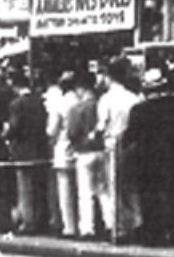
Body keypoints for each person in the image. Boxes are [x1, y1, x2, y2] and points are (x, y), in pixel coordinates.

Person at [125, 67, 174, 245]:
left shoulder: (139, 110)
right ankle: (173, 231)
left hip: (147, 160)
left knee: (150, 196)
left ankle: (153, 233)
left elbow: (131, 136)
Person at [96, 57, 141, 242]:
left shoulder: (106, 99)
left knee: (111, 188)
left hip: (112, 146)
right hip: (132, 145)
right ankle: (138, 223)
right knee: (131, 188)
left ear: (109, 76)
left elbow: (101, 126)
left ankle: (116, 227)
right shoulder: (134, 98)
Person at [4, 69, 48, 235]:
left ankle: (27, 222)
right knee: (37, 187)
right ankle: (39, 219)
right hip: (39, 149)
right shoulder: (38, 101)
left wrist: (5, 134)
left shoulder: (16, 104)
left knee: (25, 188)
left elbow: (14, 128)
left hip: (22, 150)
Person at [66, 70, 101, 240]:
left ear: (80, 89)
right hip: (102, 150)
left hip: (83, 151)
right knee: (104, 191)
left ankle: (88, 228)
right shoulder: (100, 103)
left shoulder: (77, 108)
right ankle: (110, 225)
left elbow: (72, 132)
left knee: (85, 193)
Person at [47, 70, 79, 238]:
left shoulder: (60, 103)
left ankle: (69, 226)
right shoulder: (80, 100)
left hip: (63, 145)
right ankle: (84, 224)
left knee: (64, 188)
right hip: (79, 147)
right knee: (81, 190)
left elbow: (52, 129)